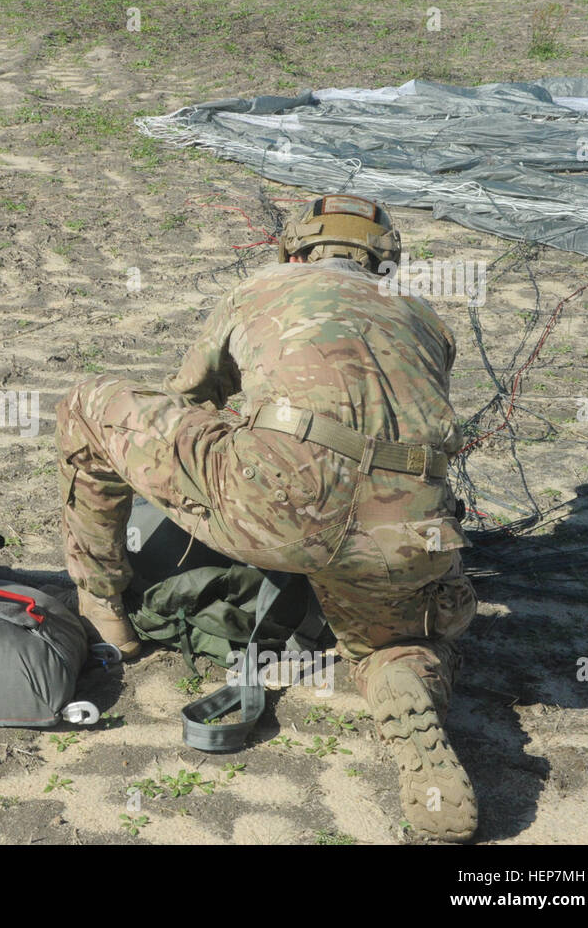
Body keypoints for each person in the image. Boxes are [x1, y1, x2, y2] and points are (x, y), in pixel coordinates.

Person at [55, 195, 480, 842]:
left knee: (89, 408)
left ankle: (104, 609)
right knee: (391, 643)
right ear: (383, 259)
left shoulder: (263, 286)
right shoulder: (427, 320)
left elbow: (189, 398)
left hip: (277, 507)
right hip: (404, 531)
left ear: (296, 248)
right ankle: (404, 690)